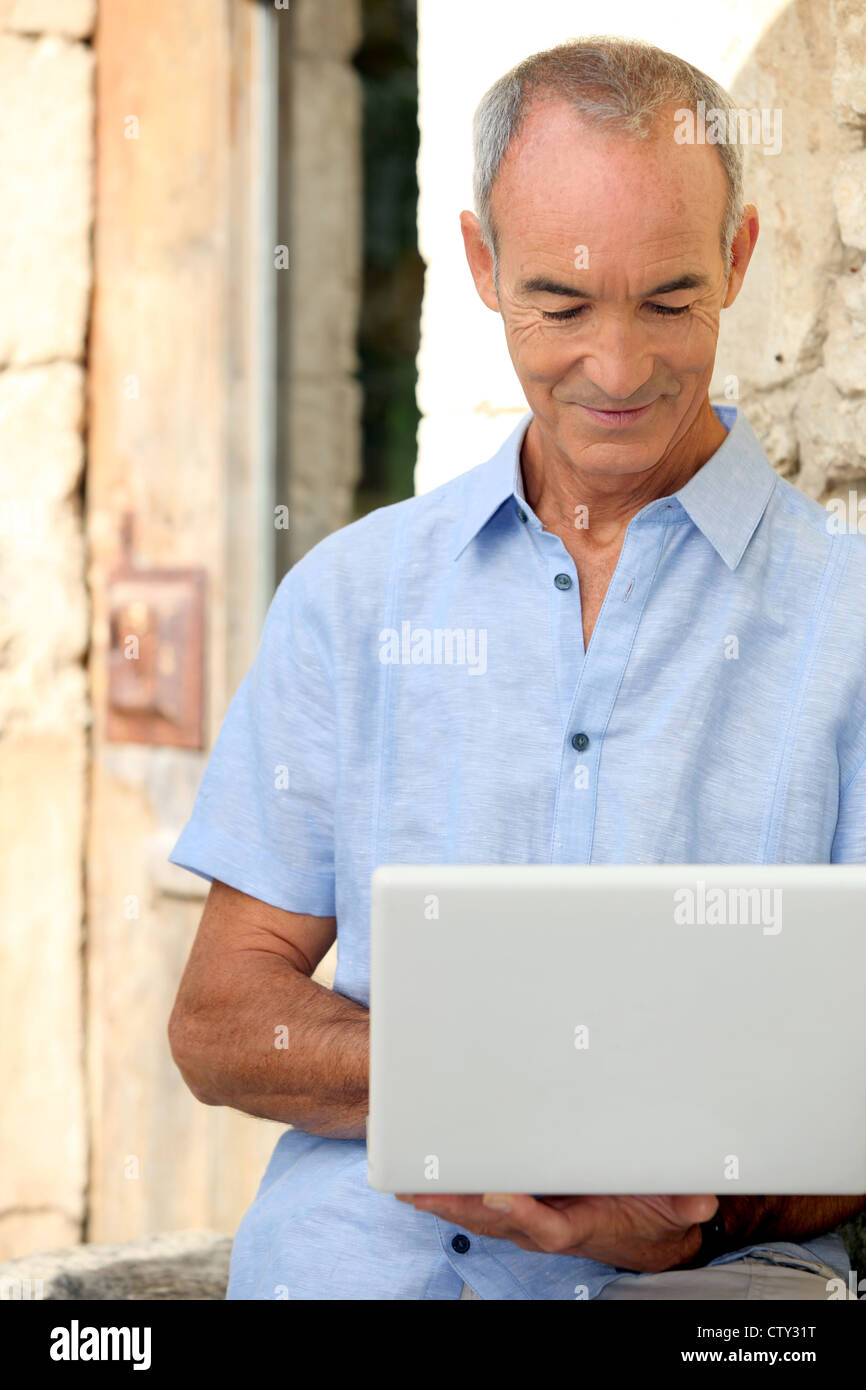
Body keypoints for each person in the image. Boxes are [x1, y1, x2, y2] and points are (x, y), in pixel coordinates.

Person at [167, 36, 866, 1300]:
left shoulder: (849, 624)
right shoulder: (351, 595)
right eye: (557, 304)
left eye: (667, 301)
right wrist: (483, 1076)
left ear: (737, 259)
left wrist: (688, 1218)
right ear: (480, 265)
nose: (614, 370)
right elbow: (218, 1020)